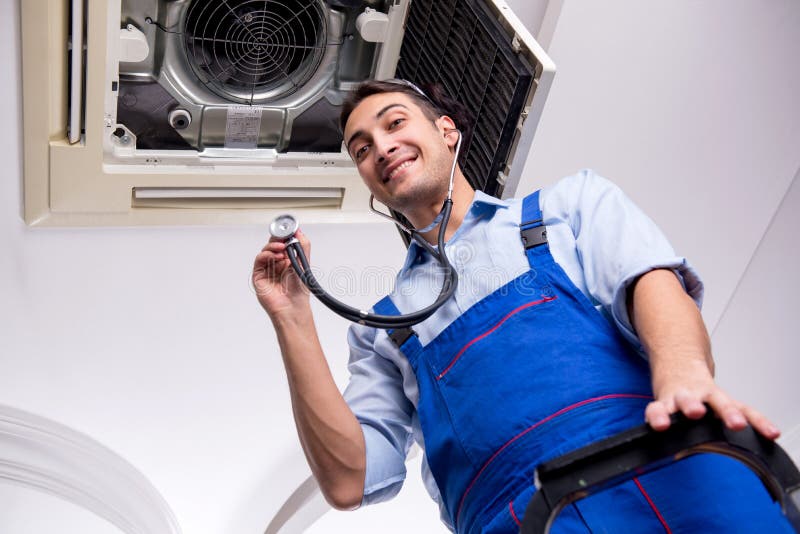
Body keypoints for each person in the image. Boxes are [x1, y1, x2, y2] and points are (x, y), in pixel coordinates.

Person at [252, 80, 791, 533]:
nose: (381, 147)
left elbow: (650, 281)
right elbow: (350, 480)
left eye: (395, 123)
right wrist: (291, 317)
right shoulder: (383, 329)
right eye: (362, 149)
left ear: (446, 131)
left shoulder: (567, 206)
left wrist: (684, 376)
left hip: (675, 472)